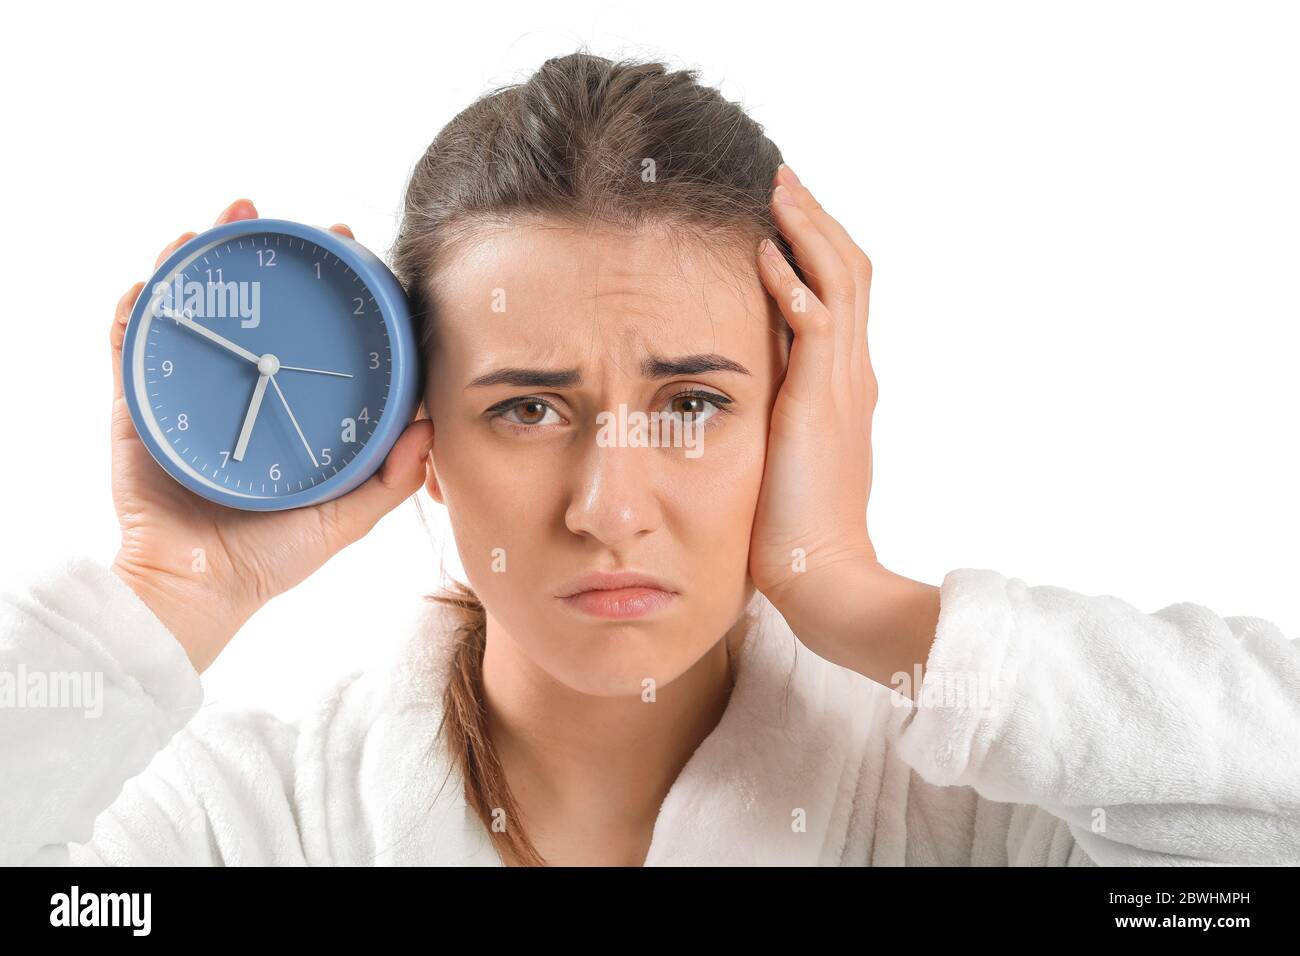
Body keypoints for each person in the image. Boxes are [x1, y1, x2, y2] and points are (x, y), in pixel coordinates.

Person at [3, 51, 1297, 867]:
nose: (609, 507)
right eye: (523, 407)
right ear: (421, 440)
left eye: (690, 402)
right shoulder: (242, 829)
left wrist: (857, 591)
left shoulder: (985, 820)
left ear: (801, 422)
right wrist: (166, 601)